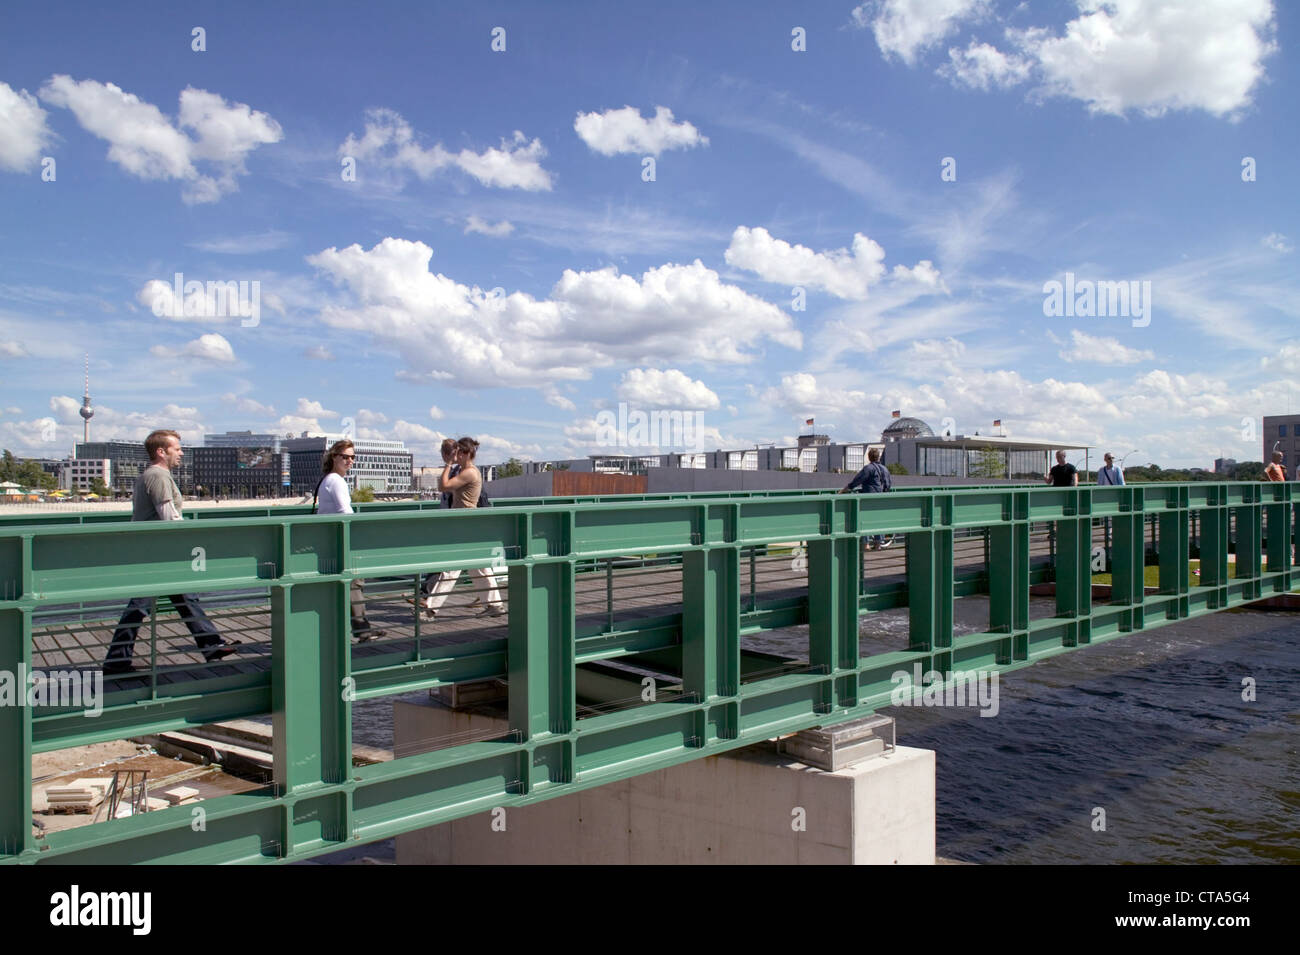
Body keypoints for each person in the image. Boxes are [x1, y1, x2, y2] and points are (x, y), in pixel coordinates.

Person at [103, 430, 240, 674]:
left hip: (156, 551)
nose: (181, 453)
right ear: (161, 452)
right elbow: (169, 518)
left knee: (184, 598)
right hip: (156, 555)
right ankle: (115, 661)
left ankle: (211, 644)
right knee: (140, 606)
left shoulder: (155, 474)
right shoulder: (158, 476)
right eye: (177, 448)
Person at [414, 437, 504, 618]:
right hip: (467, 526)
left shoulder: (470, 472)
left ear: (464, 453)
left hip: (465, 526)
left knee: (451, 568)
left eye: (456, 452)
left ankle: (430, 609)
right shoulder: (466, 470)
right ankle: (495, 605)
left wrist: (447, 464)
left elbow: (443, 486)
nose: (454, 455)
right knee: (479, 569)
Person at [314, 439, 385, 642]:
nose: (349, 461)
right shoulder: (337, 481)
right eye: (345, 456)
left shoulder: (326, 479)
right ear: (334, 457)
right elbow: (346, 512)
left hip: (328, 541)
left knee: (342, 586)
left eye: (352, 457)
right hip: (340, 542)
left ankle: (352, 629)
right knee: (354, 583)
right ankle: (362, 630)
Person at [839, 447, 892, 549]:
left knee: (865, 520)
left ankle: (866, 544)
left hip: (869, 498)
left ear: (869, 457)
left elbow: (856, 481)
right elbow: (888, 484)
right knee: (878, 520)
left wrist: (843, 490)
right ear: (878, 457)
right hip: (881, 498)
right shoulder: (885, 469)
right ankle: (877, 544)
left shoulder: (868, 468)